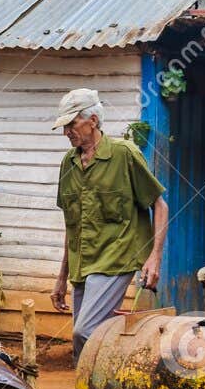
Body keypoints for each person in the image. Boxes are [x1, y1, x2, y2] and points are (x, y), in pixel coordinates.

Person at [50, 88, 168, 357]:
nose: (67, 131)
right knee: (82, 344)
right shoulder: (68, 163)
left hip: (117, 257)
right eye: (64, 125)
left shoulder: (123, 154)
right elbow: (72, 225)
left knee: (86, 332)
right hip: (83, 263)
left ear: (92, 120)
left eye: (72, 123)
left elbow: (159, 205)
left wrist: (154, 258)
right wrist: (61, 277)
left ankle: (122, 375)